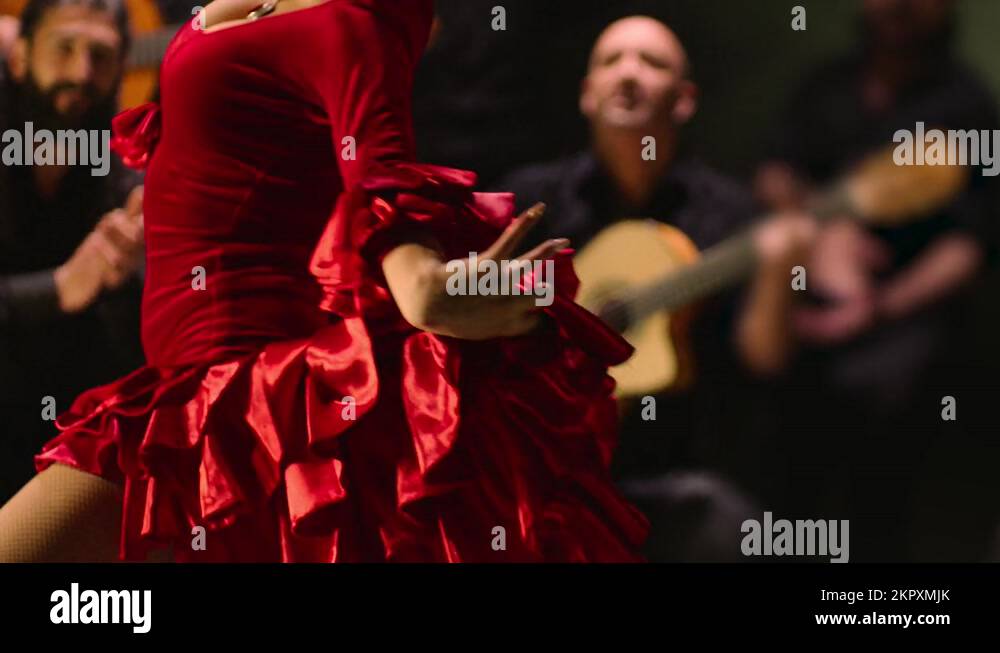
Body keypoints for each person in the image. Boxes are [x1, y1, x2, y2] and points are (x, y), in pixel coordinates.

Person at [0, 0, 649, 562]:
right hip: (181, 403)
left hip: (252, 411)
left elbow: (389, 201)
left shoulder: (355, 18)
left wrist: (432, 286)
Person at [499, 15, 815, 561]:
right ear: (586, 94)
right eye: (611, 60)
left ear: (685, 99)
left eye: (652, 63)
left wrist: (782, 271)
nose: (629, 74)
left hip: (678, 479)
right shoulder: (531, 203)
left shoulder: (731, 217)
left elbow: (764, 359)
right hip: (543, 466)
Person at [752, 0, 1000, 560]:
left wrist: (878, 305)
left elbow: (973, 243)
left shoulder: (966, 104)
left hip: (905, 321)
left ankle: (880, 604)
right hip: (804, 304)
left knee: (890, 429)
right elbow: (773, 171)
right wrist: (823, 231)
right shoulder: (826, 86)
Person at [0, 0, 145, 503]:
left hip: (62, 435)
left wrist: (135, 263)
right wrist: (61, 287)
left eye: (101, 56)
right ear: (18, 58)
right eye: (63, 49)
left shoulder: (111, 159)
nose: (82, 73)